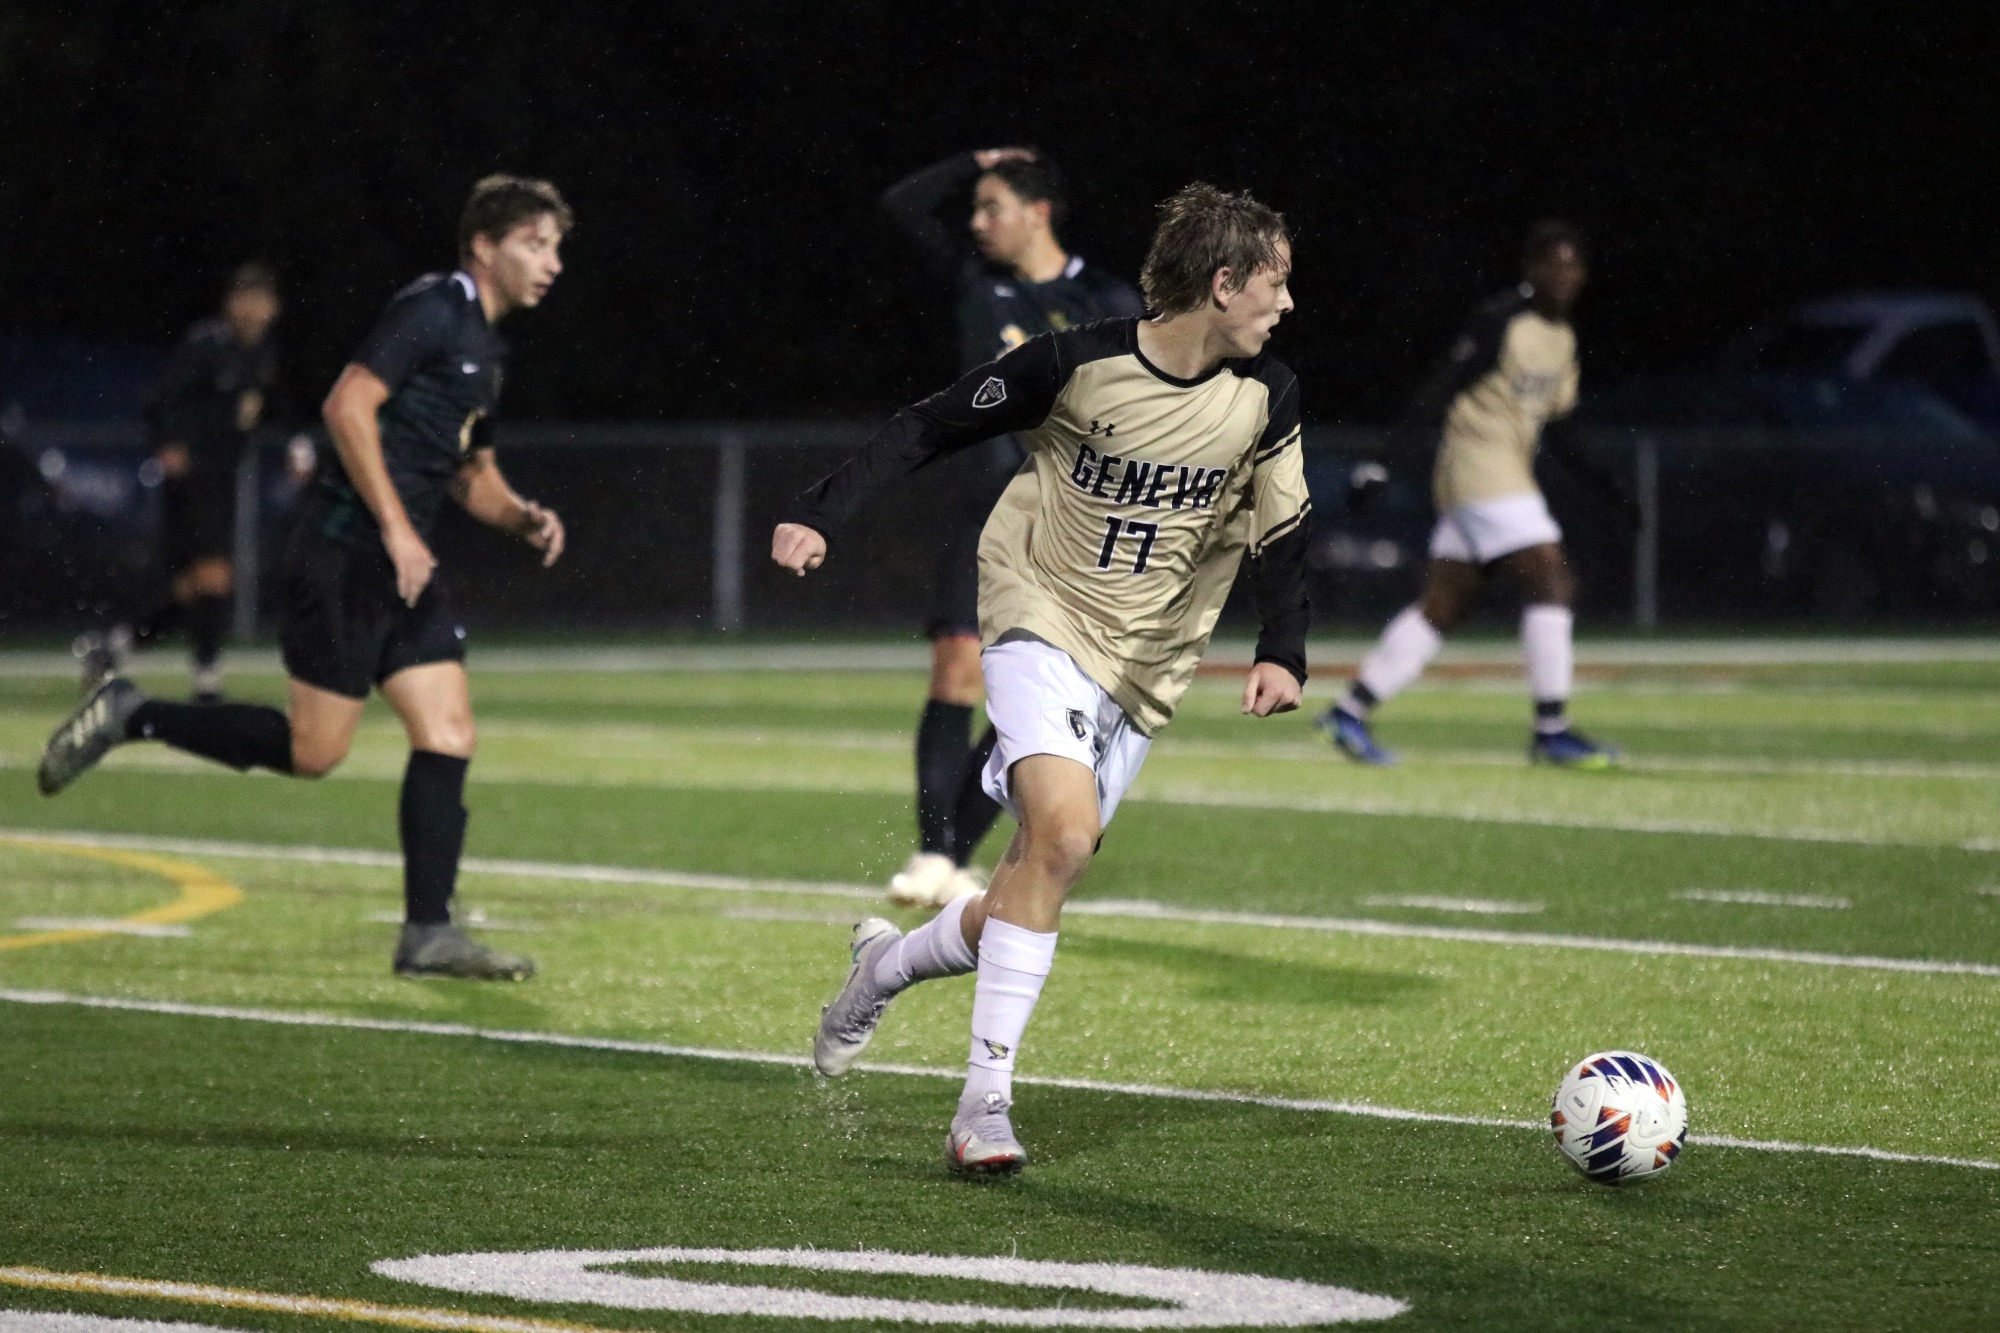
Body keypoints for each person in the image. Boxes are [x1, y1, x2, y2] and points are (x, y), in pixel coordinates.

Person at [774, 183, 1310, 1176]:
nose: (1284, 305)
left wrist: (1284, 643)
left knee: (1035, 869)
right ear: (1224, 281)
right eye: (1273, 285)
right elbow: (928, 424)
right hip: (1037, 611)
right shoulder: (1076, 363)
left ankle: (878, 971)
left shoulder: (1263, 395)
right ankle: (984, 1106)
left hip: (1145, 665)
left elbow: (1281, 529)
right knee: (1059, 837)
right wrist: (821, 508)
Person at [39, 175, 573, 980]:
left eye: (557, 246)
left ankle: (428, 932)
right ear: (484, 246)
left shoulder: (490, 351)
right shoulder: (432, 308)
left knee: (449, 732)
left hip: (404, 566)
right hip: (345, 554)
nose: (553, 261)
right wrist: (394, 527)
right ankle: (132, 713)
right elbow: (346, 405)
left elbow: (472, 473)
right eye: (536, 243)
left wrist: (521, 514)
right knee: (315, 750)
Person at [877, 148, 1145, 910]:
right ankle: (932, 854)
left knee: (1025, 699)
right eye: (975, 208)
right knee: (955, 666)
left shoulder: (1105, 299)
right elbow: (901, 204)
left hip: (1066, 525)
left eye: (992, 205)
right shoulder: (977, 281)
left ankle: (956, 854)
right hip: (984, 509)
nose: (977, 221)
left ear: (1039, 212)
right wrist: (974, 162)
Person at [1318, 221, 1634, 769]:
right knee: (1552, 579)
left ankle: (1349, 712)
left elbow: (1560, 426)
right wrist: (1383, 461)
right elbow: (1441, 387)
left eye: (1572, 265)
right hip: (1477, 467)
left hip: (1505, 471)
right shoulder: (1500, 321)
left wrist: (1610, 486)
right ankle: (1552, 730)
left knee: (1442, 606)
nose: (1563, 275)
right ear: (1531, 269)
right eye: (1552, 264)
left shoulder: (1562, 337)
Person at [75, 263, 287, 700]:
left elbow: (258, 416)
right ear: (231, 304)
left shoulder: (262, 355)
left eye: (261, 302)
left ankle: (116, 646)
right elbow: (158, 401)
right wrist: (168, 444)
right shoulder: (206, 345)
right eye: (245, 300)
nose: (253, 311)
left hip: (223, 480)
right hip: (192, 481)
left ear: (273, 309)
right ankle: (205, 678)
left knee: (196, 585)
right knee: (213, 577)